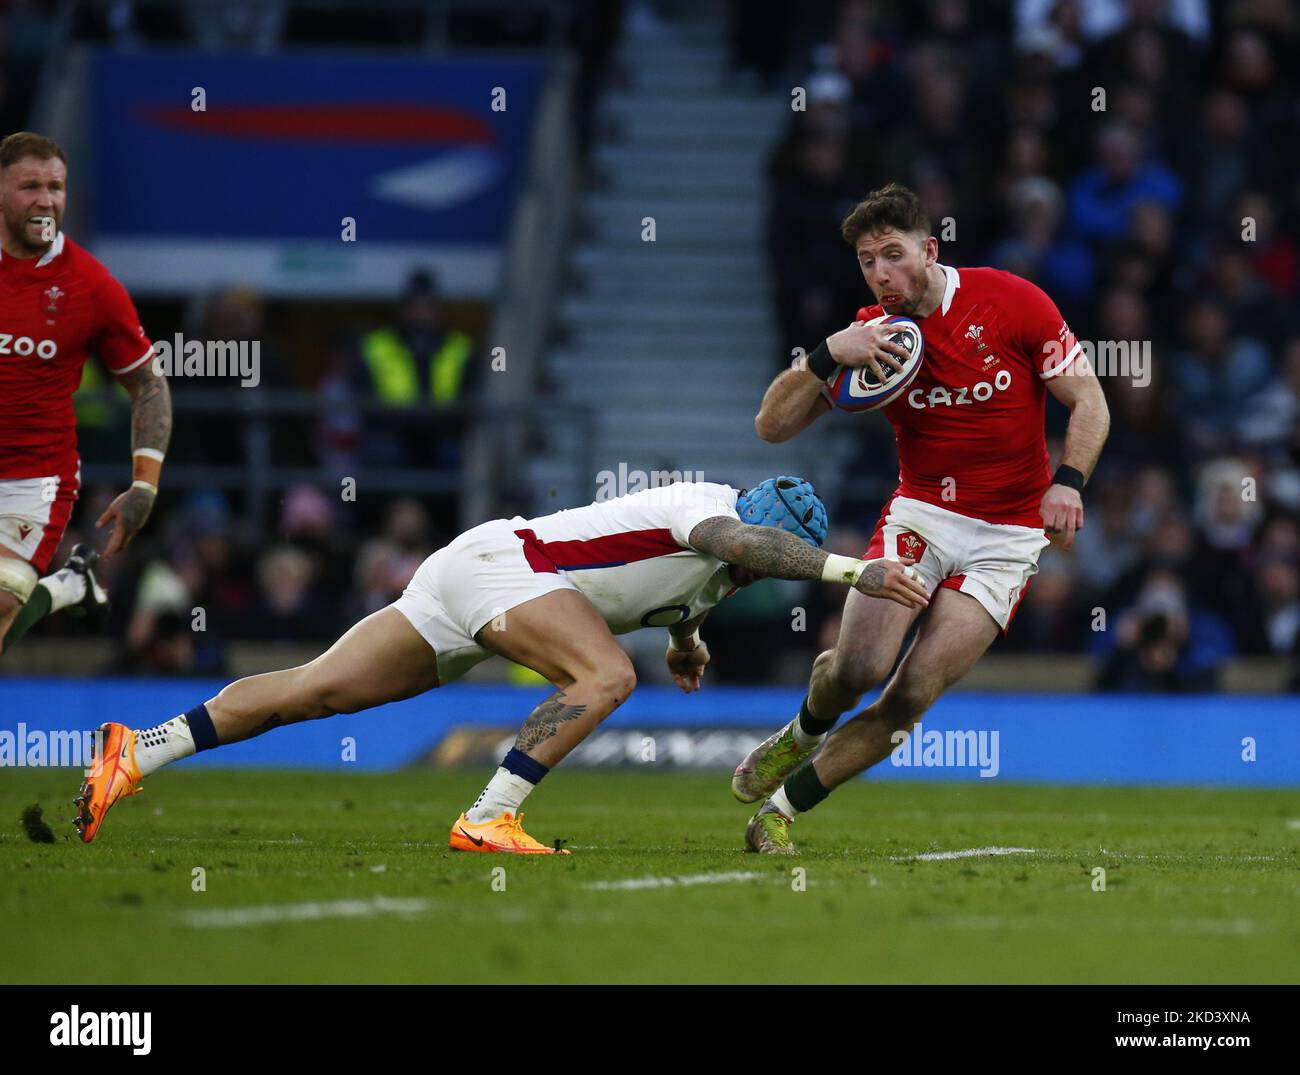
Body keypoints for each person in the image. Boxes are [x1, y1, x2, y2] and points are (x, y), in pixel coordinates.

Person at [73, 476, 930, 852]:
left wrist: (686, 643)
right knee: (604, 679)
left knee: (313, 691)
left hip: (470, 573)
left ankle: (135, 751)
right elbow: (739, 544)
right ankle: (490, 815)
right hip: (503, 568)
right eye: (764, 559)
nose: (750, 574)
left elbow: (689, 598)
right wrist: (856, 569)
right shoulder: (706, 512)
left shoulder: (720, 572)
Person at [740, 183, 1109, 854]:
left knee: (910, 696)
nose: (881, 274)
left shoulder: (1013, 300)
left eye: (892, 255)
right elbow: (770, 426)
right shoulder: (873, 340)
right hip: (923, 514)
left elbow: (1089, 399)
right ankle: (801, 733)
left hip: (1009, 536)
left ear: (929, 249)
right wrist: (827, 352)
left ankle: (777, 811)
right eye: (866, 261)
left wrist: (1070, 483)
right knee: (860, 668)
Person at [0, 131, 171, 656]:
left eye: (56, 187)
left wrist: (144, 486)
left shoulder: (91, 286)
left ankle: (46, 591)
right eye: (31, 186)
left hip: (34, 477)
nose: (46, 199)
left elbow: (148, 384)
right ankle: (66, 587)